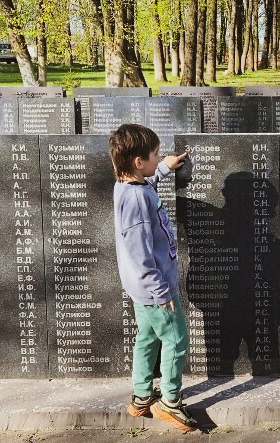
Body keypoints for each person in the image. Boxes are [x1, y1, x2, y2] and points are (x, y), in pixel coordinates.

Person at [108, 124, 196, 431]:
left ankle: (142, 396)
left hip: (140, 289)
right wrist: (161, 292)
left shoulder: (127, 186)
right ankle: (170, 402)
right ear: (138, 162)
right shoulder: (134, 200)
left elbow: (144, 188)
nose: (160, 158)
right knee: (175, 339)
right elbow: (140, 253)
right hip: (155, 289)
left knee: (146, 339)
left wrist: (163, 170)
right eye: (156, 155)